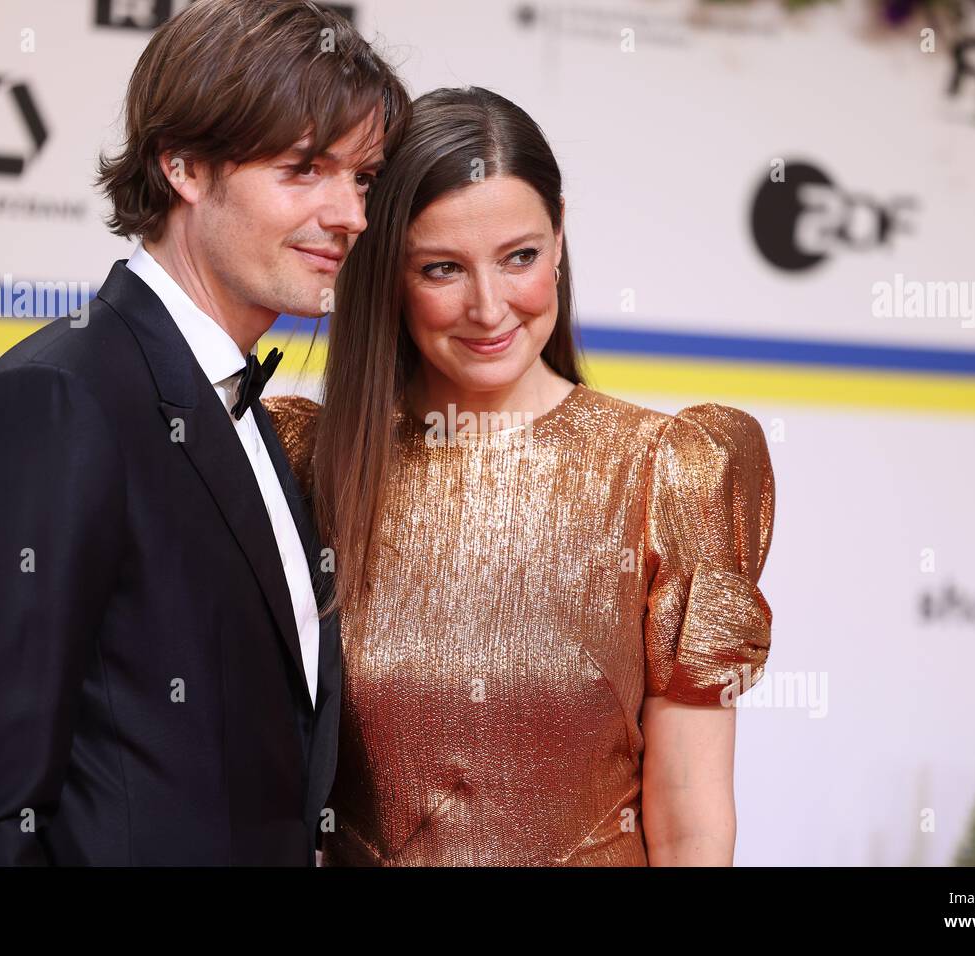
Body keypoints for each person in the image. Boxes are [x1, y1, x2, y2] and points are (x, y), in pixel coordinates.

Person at [0, 0, 409, 866]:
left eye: (361, 177)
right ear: (183, 166)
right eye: (305, 168)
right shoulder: (59, 405)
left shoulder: (245, 411)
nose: (351, 213)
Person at [265, 86, 776, 866]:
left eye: (520, 258)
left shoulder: (669, 474)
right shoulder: (304, 465)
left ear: (560, 237)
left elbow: (691, 820)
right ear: (386, 273)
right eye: (442, 268)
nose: (489, 307)